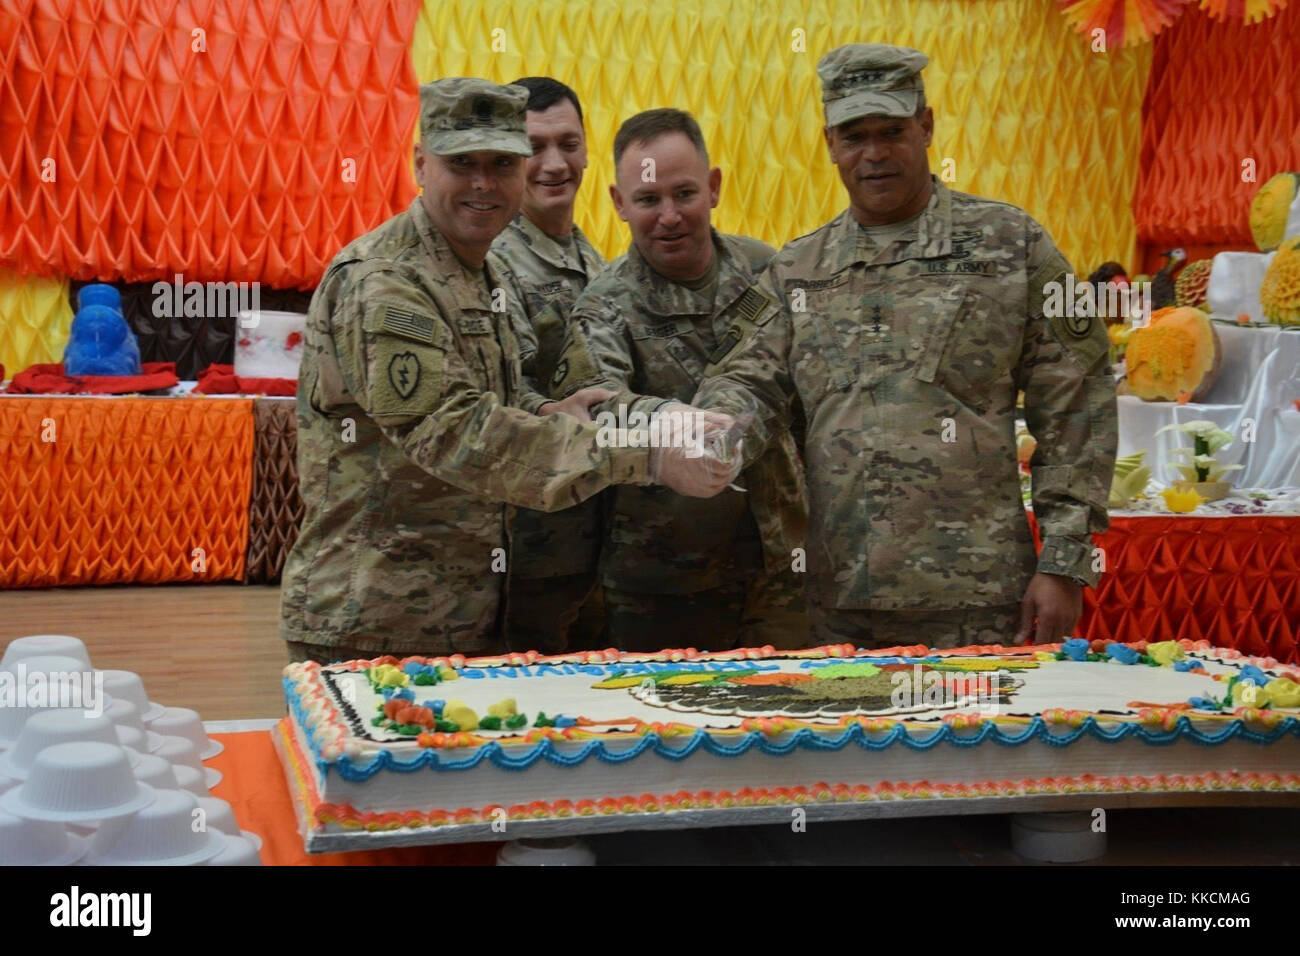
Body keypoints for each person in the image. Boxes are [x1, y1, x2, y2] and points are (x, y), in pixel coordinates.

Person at [280, 78, 736, 665]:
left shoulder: (478, 273)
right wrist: (646, 451)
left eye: (501, 163)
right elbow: (455, 433)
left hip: (468, 615)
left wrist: (640, 417)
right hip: (372, 624)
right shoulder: (387, 283)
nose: (483, 183)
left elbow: (541, 395)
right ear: (421, 164)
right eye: (462, 162)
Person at [693, 44, 1117, 649]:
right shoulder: (798, 270)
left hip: (981, 602)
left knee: (979, 746)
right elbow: (745, 380)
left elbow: (1079, 399)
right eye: (853, 135)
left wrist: (1065, 561)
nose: (873, 153)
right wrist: (708, 431)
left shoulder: (1012, 246)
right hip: (840, 605)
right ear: (829, 143)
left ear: (926, 126)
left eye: (891, 131)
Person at [551, 109, 809, 652]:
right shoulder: (602, 307)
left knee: (795, 721)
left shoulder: (768, 270)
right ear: (620, 204)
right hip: (664, 586)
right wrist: (675, 429)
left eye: (684, 194)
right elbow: (598, 416)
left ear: (713, 188)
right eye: (647, 200)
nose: (669, 216)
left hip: (782, 569)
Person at [489, 77, 607, 653]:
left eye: (569, 143)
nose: (555, 164)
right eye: (535, 147)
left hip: (594, 536)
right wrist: (548, 409)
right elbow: (496, 389)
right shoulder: (491, 260)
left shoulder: (593, 259)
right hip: (529, 541)